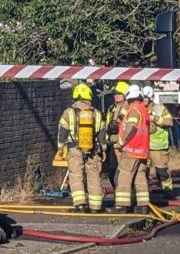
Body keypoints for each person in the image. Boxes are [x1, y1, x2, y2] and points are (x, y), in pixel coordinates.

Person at [57, 82, 105, 212]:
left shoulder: (69, 112)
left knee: (76, 175)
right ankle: (96, 206)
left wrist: (60, 148)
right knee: (94, 175)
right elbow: (102, 133)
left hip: (74, 148)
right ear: (89, 96)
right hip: (93, 149)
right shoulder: (96, 113)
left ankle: (80, 205)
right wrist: (104, 149)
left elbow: (62, 131)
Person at [114, 85, 152, 215]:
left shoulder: (134, 110)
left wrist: (121, 142)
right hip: (142, 151)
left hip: (131, 149)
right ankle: (143, 206)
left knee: (124, 176)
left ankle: (122, 206)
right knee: (140, 178)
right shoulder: (143, 110)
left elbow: (131, 128)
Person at [146, 86, 175, 199]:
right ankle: (145, 192)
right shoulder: (140, 109)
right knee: (143, 171)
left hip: (158, 146)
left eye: (146, 97)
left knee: (161, 171)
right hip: (144, 146)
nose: (144, 100)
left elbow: (169, 121)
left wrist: (155, 118)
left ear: (151, 98)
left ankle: (167, 190)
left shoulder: (160, 109)